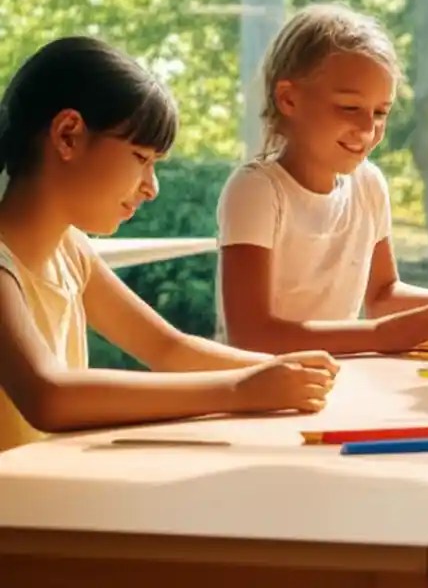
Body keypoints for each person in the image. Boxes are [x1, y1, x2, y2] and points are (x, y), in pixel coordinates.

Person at [0, 36, 338, 452]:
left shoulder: (71, 251)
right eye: (141, 158)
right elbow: (48, 397)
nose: (152, 188)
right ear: (68, 135)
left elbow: (168, 349)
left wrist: (283, 371)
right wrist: (239, 391)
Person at [217, 4, 428, 356]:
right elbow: (251, 336)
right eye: (349, 107)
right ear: (288, 99)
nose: (367, 129)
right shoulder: (257, 191)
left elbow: (382, 295)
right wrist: (379, 335)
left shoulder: (369, 184)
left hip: (336, 378)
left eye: (380, 112)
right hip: (266, 384)